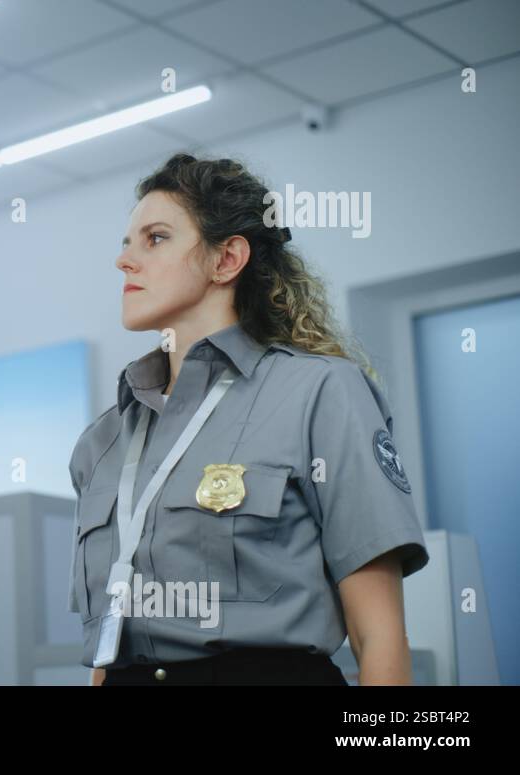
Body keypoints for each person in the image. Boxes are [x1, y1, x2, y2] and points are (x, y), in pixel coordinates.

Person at [68, 153, 429, 686]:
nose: (125, 261)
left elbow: (379, 637)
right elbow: (111, 647)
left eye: (156, 238)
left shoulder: (321, 392)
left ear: (226, 259)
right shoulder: (102, 441)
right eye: (126, 244)